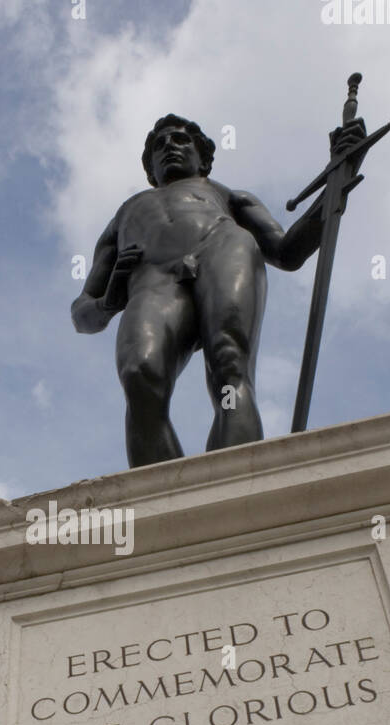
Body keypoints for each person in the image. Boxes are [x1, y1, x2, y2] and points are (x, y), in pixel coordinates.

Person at [71, 112, 363, 467]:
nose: (169, 148)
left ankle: (233, 483)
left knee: (229, 363)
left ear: (204, 157)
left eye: (181, 140)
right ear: (149, 169)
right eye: (158, 146)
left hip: (222, 248)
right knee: (140, 375)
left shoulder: (228, 196)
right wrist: (108, 300)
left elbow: (288, 252)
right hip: (152, 283)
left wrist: (340, 174)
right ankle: (173, 504)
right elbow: (82, 315)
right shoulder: (125, 215)